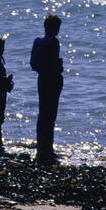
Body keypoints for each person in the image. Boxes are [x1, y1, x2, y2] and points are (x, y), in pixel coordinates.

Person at [30, 14, 63, 165]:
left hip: (42, 79)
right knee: (50, 115)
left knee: (43, 114)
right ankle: (47, 149)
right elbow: (55, 64)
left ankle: (41, 147)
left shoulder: (38, 42)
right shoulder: (54, 42)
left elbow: (34, 64)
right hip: (53, 79)